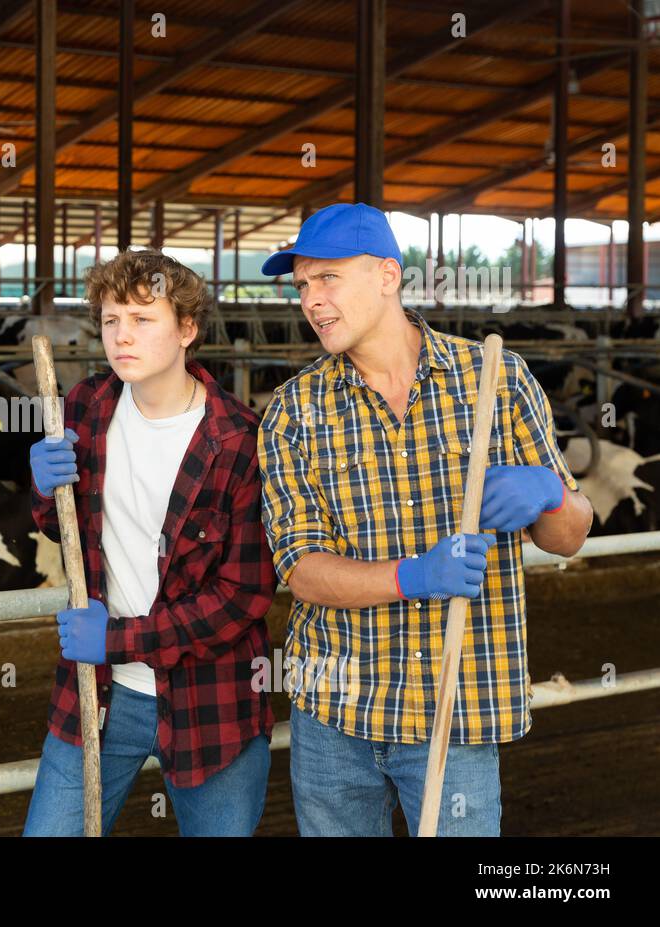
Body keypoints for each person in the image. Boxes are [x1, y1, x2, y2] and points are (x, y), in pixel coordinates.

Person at [256, 202, 592, 836]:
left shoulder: (495, 379)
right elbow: (300, 570)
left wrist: (549, 492)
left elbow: (570, 537)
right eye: (301, 284)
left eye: (327, 278)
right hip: (334, 711)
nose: (311, 300)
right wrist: (414, 576)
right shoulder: (292, 411)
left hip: (457, 705)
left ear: (387, 275)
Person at [22, 247, 276, 837]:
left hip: (211, 702)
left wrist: (117, 638)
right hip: (96, 694)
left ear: (187, 329)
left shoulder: (238, 440)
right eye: (111, 320)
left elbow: (243, 596)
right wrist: (40, 490)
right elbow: (59, 524)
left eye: (142, 319)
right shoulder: (85, 405)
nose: (121, 337)